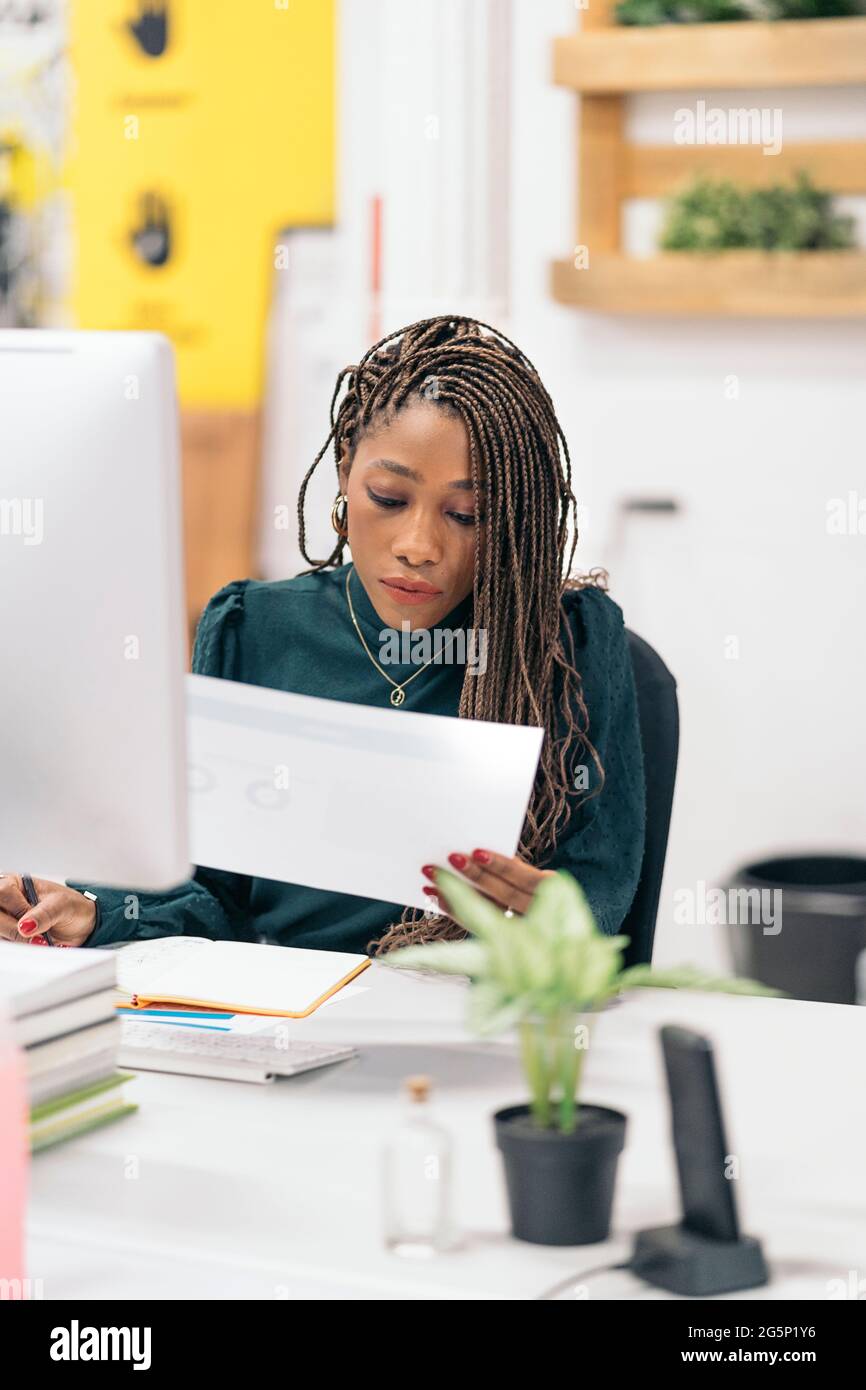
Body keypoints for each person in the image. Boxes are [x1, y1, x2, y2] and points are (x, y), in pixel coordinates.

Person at [0, 316, 645, 955]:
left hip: (474, 1014)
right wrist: (95, 912)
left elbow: (598, 899)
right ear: (344, 474)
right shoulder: (251, 629)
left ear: (513, 515)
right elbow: (210, 896)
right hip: (281, 1016)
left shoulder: (572, 643)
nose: (419, 546)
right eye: (389, 498)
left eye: (465, 514)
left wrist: (547, 917)